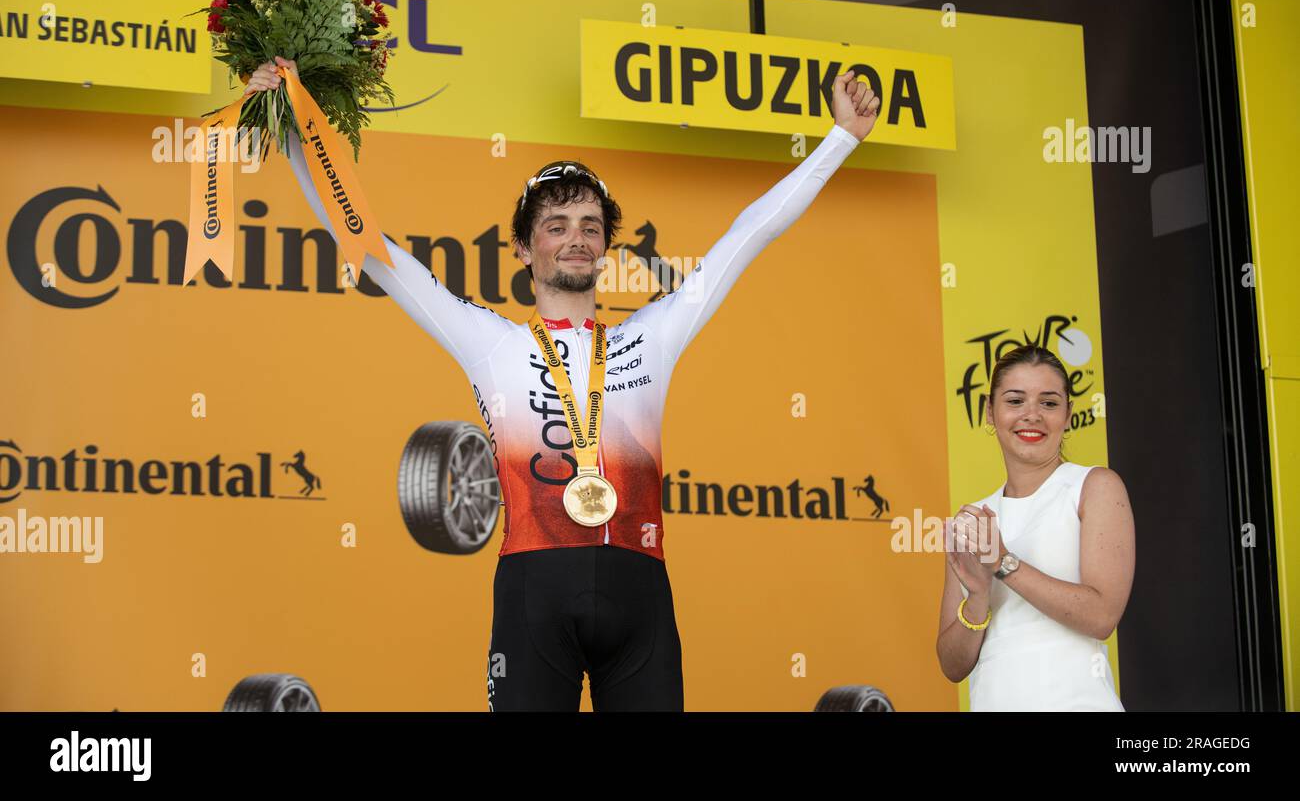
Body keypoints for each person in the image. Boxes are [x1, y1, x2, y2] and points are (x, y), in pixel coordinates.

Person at [244, 56, 881, 710]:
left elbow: (748, 235)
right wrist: (294, 132)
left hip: (641, 594)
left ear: (604, 246)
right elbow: (371, 251)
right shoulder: (491, 344)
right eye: (555, 226)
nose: (575, 238)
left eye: (589, 226)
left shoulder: (651, 337)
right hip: (531, 595)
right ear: (524, 249)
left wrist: (841, 138)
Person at [935, 344, 1136, 710]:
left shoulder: (1094, 486)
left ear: (1069, 415)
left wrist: (1003, 564)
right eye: (1015, 401)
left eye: (1049, 403)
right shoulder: (974, 519)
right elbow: (952, 665)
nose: (1032, 415)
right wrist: (978, 598)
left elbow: (1102, 616)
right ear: (989, 412)